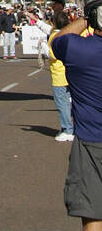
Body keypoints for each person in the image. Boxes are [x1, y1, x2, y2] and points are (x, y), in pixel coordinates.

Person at [50, 0, 102, 231]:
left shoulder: (78, 51)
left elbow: (56, 40)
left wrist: (86, 17)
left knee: (94, 217)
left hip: (92, 142)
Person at [48, 10, 74, 142]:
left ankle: (67, 129)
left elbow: (53, 54)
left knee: (62, 104)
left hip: (59, 75)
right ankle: (70, 128)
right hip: (69, 73)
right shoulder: (69, 34)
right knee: (70, 103)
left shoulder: (55, 36)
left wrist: (44, 49)